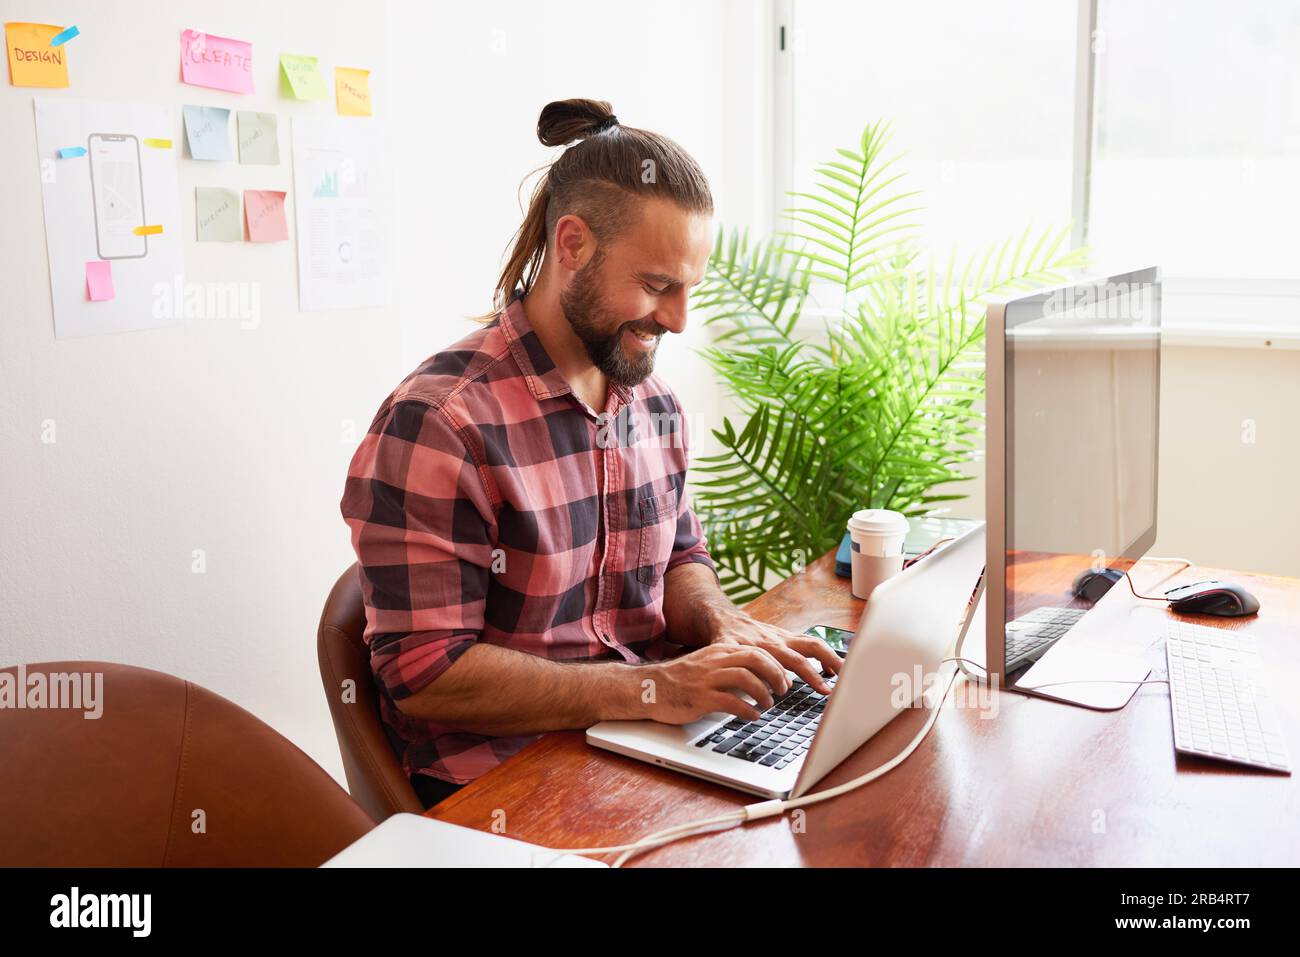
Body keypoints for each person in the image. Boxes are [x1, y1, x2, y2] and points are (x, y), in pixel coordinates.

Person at [341, 98, 840, 808]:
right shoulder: (441, 422)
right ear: (571, 244)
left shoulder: (655, 404)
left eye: (688, 289)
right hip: (505, 785)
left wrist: (722, 622)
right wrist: (654, 687)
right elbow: (427, 673)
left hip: (640, 743)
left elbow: (680, 560)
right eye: (658, 286)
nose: (677, 320)